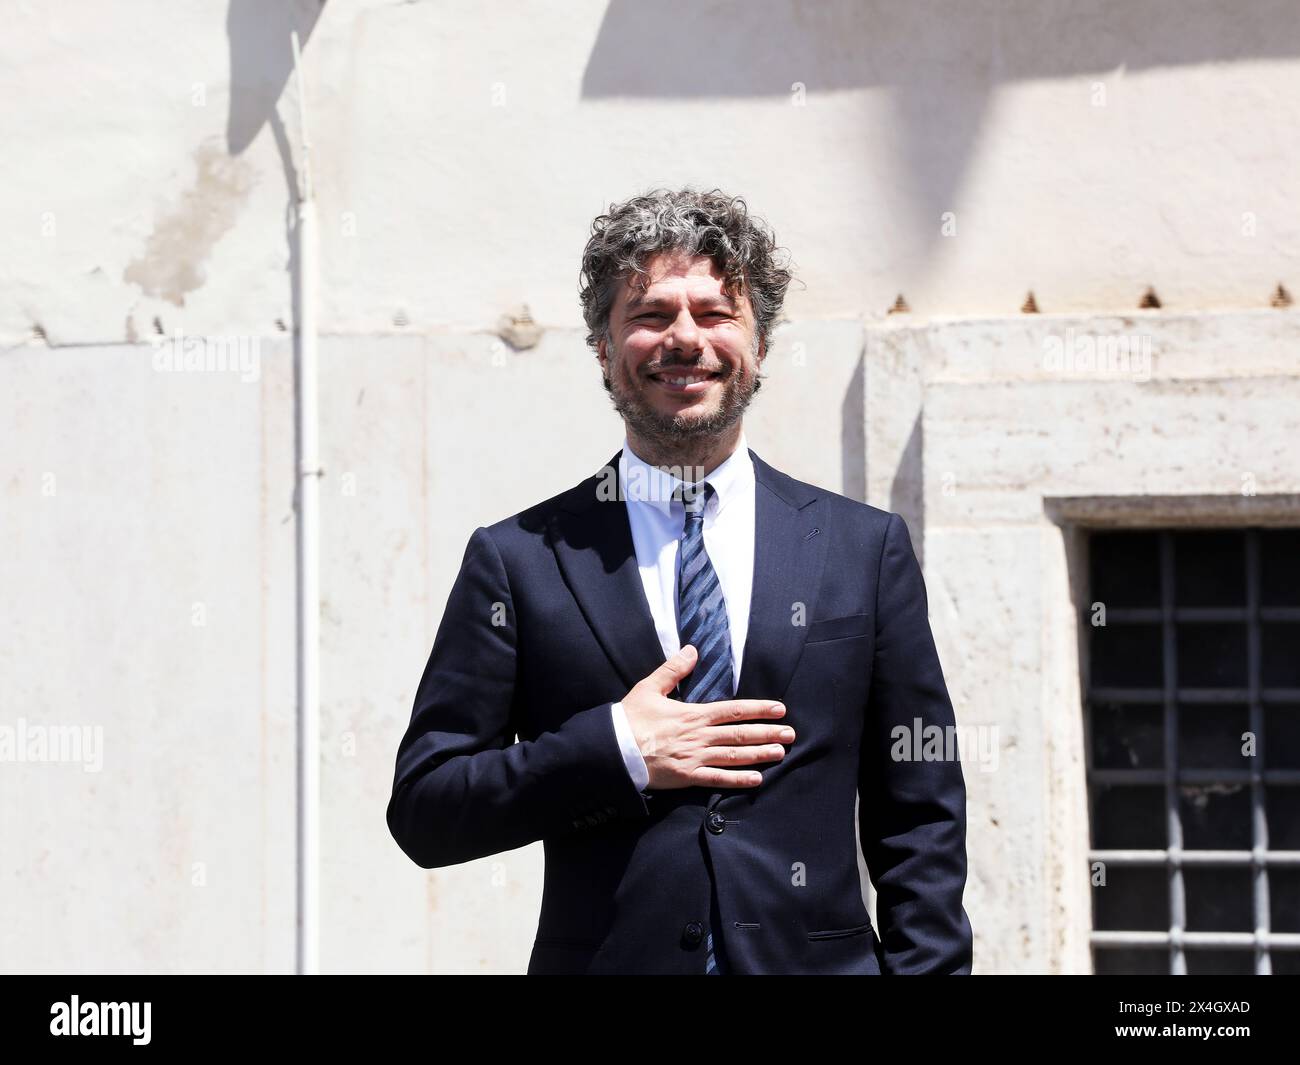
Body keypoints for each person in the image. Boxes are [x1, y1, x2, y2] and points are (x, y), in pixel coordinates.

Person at [386, 187, 974, 975]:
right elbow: (429, 807)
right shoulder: (517, 558)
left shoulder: (863, 549)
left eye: (716, 312)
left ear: (760, 344)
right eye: (652, 314)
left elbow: (921, 815)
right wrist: (618, 748)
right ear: (603, 346)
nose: (685, 339)